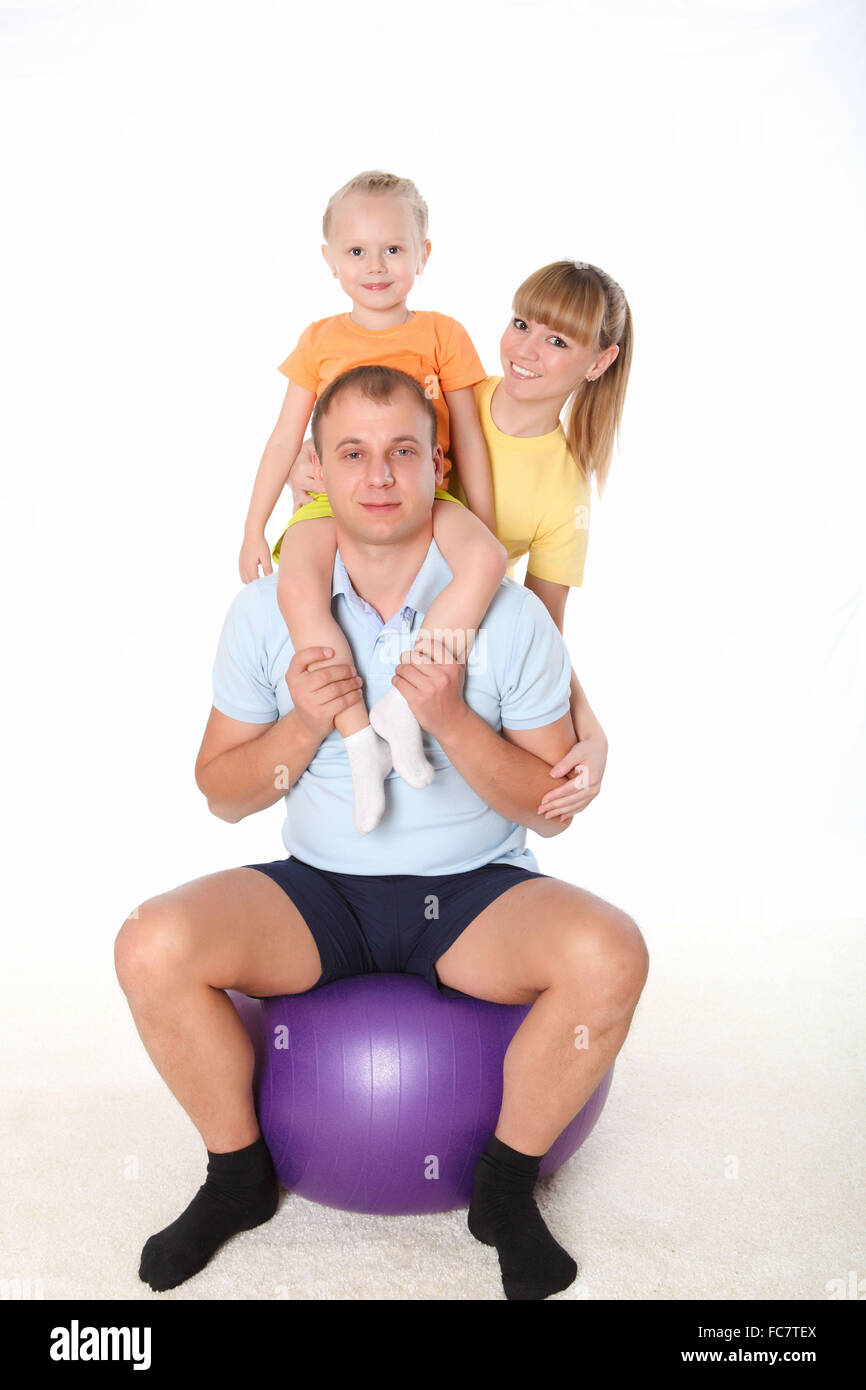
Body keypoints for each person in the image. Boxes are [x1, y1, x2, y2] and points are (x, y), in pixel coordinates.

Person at [115, 365, 649, 1301]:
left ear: (435, 462)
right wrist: (299, 729)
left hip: (479, 894)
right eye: (353, 453)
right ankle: (237, 1176)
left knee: (612, 954)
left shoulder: (510, 618)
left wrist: (452, 723)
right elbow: (222, 796)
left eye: (403, 451)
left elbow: (548, 811)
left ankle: (504, 1190)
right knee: (149, 943)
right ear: (316, 467)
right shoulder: (268, 612)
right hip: (321, 892)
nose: (379, 476)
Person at [289, 258, 634, 825]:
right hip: (348, 625)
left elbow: (542, 629)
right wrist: (304, 472)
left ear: (600, 361)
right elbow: (348, 441)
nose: (526, 351)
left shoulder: (564, 492)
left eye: (556, 341)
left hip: (444, 666)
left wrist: (590, 728)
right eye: (521, 324)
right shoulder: (450, 395)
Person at [240, 169, 507, 836]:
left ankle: (405, 709)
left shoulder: (443, 334)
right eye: (356, 251)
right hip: (331, 501)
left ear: (423, 254)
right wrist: (254, 527)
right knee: (299, 591)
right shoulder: (320, 340)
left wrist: (479, 520)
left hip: (424, 495)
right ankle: (359, 736)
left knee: (486, 561)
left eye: (393, 248)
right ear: (329, 261)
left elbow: (469, 436)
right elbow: (282, 438)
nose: (376, 265)